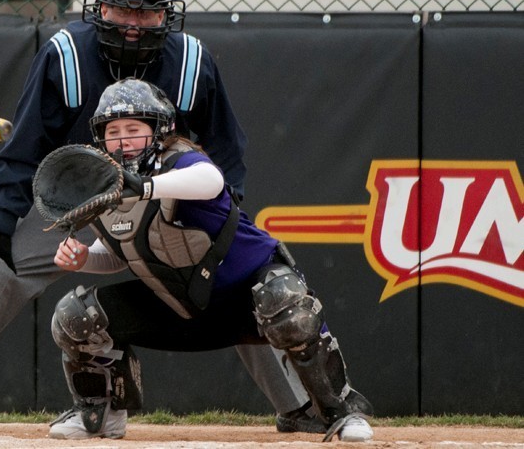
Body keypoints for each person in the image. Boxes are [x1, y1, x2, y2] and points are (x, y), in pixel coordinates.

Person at [0, 0, 325, 433]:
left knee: (239, 276)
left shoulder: (192, 60)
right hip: (76, 202)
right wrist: (0, 226)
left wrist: (223, 217)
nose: (132, 26)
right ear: (100, 11)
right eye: (120, 12)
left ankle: (304, 403)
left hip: (165, 204)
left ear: (165, 18)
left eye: (146, 15)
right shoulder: (65, 53)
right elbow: (23, 150)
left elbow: (226, 147)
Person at [45, 78, 374, 441]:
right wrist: (83, 259)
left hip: (247, 302)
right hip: (182, 304)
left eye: (134, 128)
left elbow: (211, 180)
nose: (122, 139)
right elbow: (119, 254)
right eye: (113, 131)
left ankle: (337, 411)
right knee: (75, 316)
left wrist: (147, 187)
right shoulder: (106, 187)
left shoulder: (181, 160)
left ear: (159, 130)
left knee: (285, 300)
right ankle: (101, 415)